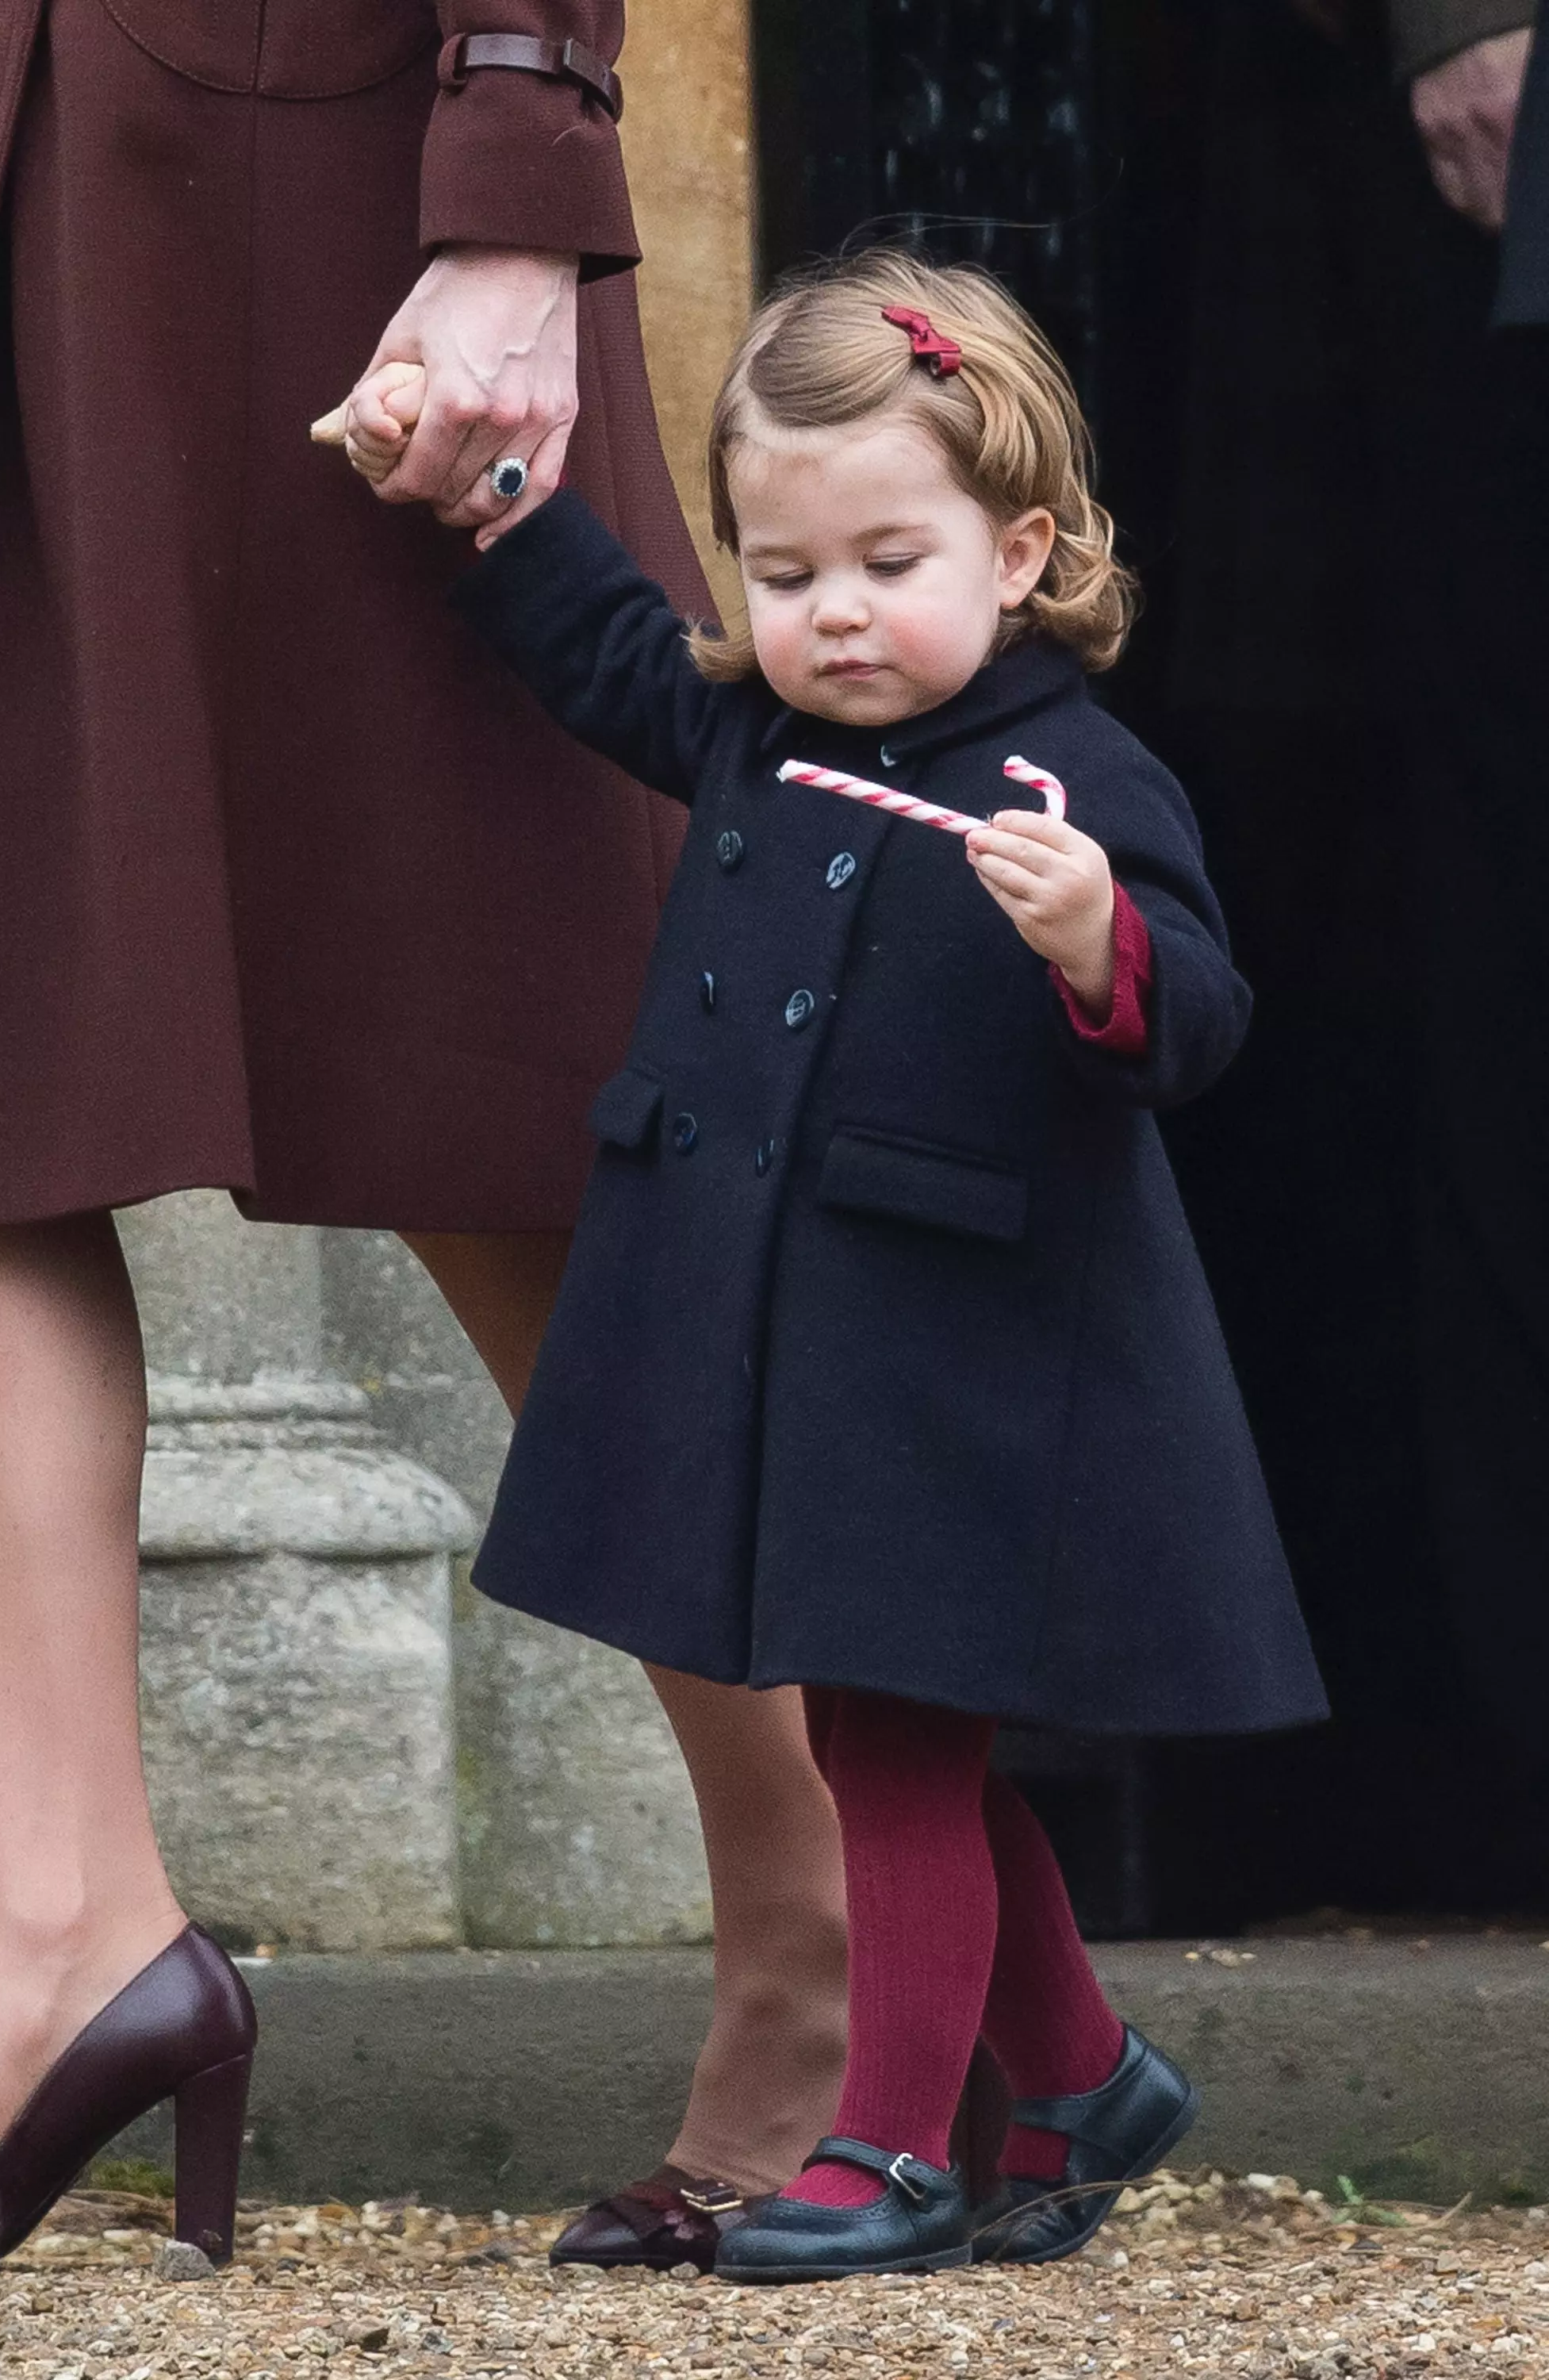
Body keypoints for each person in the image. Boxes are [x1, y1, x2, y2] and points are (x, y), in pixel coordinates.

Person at [0, 0, 853, 2275]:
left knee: (507, 1067)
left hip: (349, 159)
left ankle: (834, 1909)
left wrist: (521, 150)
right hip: (56, 162)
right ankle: (69, 1923)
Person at [353, 250, 1326, 2281]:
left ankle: (891, 2145)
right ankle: (1075, 2071)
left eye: (889, 561)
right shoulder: (750, 727)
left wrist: (1095, 942)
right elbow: (622, 661)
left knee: (888, 1737)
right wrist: (495, 503)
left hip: (966, 1358)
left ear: (1023, 545)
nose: (836, 615)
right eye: (786, 576)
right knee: (891, 1731)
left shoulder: (1075, 778)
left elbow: (1202, 1016)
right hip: (785, 1340)